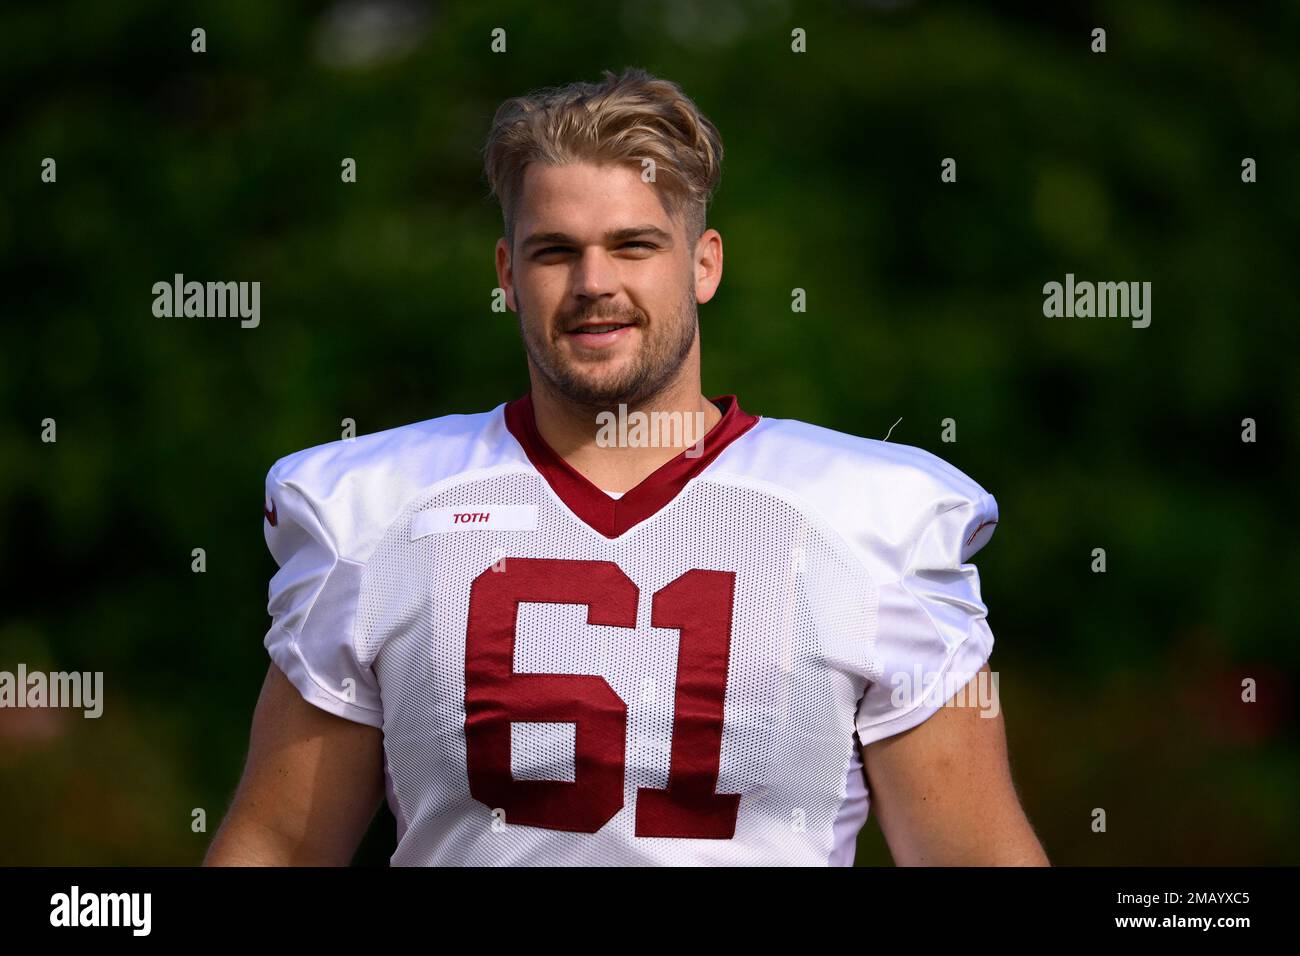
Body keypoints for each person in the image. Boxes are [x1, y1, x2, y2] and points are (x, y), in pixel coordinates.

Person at [205, 67, 1048, 866]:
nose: (594, 282)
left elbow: (968, 851)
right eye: (553, 251)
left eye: (634, 245)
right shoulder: (377, 510)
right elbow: (282, 844)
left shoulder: (872, 519)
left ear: (704, 263)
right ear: (506, 275)